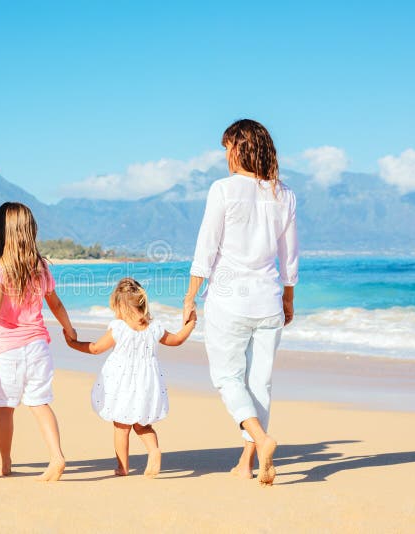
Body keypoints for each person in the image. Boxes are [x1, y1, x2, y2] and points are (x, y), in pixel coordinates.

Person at [182, 119, 298, 486]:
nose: (225, 157)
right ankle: (247, 462)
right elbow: (289, 255)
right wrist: (288, 297)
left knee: (228, 378)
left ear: (239, 148)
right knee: (259, 382)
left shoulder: (223, 190)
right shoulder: (285, 195)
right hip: (268, 301)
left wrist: (190, 296)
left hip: (229, 301)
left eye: (227, 148)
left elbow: (206, 246)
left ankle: (262, 442)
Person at [0, 202, 75, 481]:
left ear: (0, 231)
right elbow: (55, 304)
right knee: (40, 402)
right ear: (30, 231)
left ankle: (5, 462)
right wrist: (69, 330)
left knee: (5, 406)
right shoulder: (41, 266)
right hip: (37, 346)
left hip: (6, 349)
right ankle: (56, 455)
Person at [65, 278, 197, 478]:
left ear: (119, 305)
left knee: (121, 426)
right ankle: (154, 451)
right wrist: (192, 323)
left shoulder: (119, 328)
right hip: (147, 383)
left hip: (122, 384)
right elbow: (177, 339)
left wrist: (72, 344)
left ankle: (122, 467)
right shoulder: (154, 328)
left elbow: (95, 348)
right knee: (142, 424)